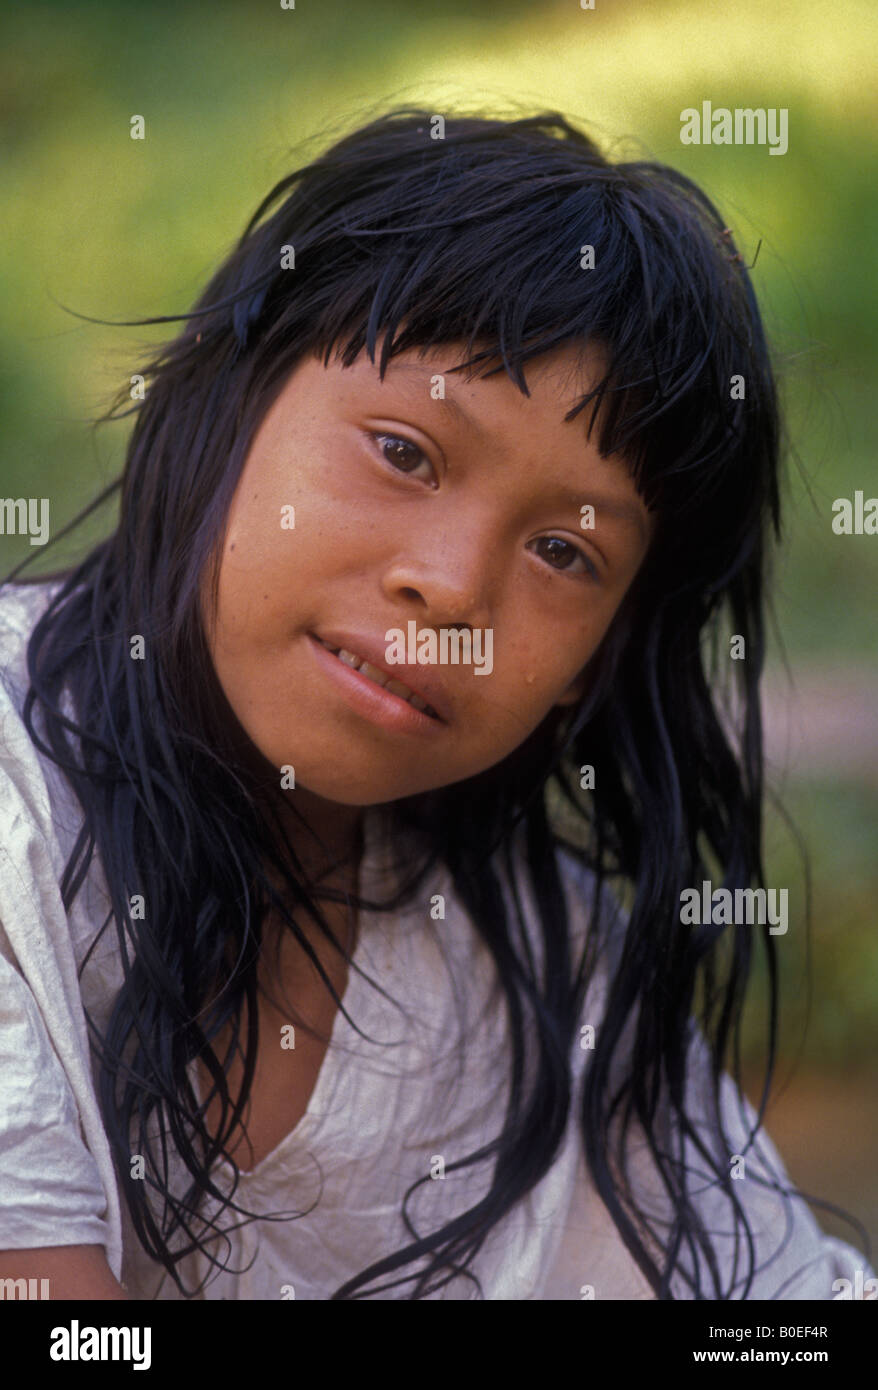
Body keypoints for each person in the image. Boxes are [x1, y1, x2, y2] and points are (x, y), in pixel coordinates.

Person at [0, 107, 870, 1301]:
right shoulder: (17, 807)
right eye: (404, 451)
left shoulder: (544, 965)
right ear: (222, 403)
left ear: (591, 662)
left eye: (565, 551)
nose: (453, 584)